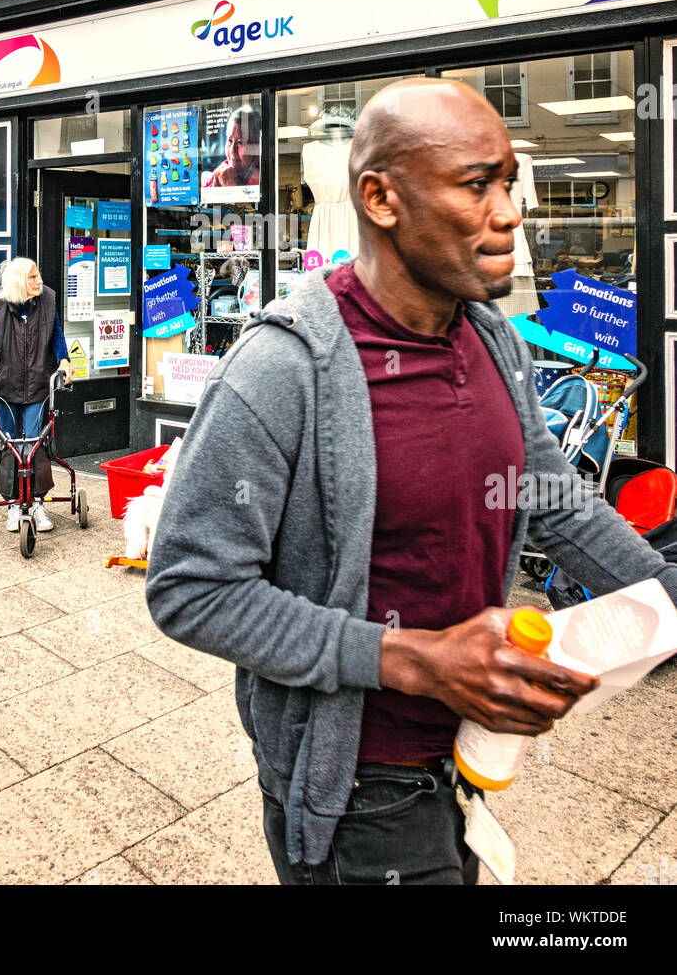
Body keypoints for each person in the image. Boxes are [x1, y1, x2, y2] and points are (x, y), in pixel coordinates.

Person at [146, 77, 677, 886]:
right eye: (476, 185)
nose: (509, 212)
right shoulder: (282, 369)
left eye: (508, 182)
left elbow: (547, 494)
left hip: (468, 753)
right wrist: (415, 659)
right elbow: (191, 587)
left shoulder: (492, 337)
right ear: (381, 199)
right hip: (356, 789)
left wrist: (665, 595)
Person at [0, 257, 73, 532]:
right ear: (19, 283)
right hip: (5, 387)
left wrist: (64, 360)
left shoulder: (46, 300)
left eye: (39, 276)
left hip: (38, 385)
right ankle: (13, 504)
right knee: (9, 446)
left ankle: (37, 503)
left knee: (36, 444)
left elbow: (56, 335)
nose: (40, 282)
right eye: (33, 278)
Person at [202, 105, 261, 190]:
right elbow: (204, 199)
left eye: (240, 142)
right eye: (230, 140)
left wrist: (230, 188)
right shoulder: (224, 168)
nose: (233, 150)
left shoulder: (261, 173)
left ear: (256, 146)